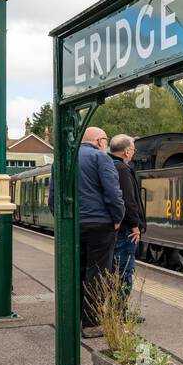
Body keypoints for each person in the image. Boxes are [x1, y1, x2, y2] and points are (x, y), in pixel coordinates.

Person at [49, 127, 124, 338]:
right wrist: (117, 218)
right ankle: (91, 324)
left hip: (72, 225)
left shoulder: (61, 160)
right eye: (106, 140)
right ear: (100, 141)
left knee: (76, 272)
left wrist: (63, 222)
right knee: (98, 274)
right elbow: (113, 193)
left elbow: (53, 198)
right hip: (100, 225)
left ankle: (72, 321)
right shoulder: (101, 158)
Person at [109, 134, 145, 306]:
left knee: (117, 269)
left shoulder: (109, 165)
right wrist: (135, 225)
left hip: (118, 228)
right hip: (126, 230)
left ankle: (117, 310)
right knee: (124, 270)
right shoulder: (122, 169)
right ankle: (120, 312)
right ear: (126, 151)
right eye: (133, 149)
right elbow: (128, 200)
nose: (133, 153)